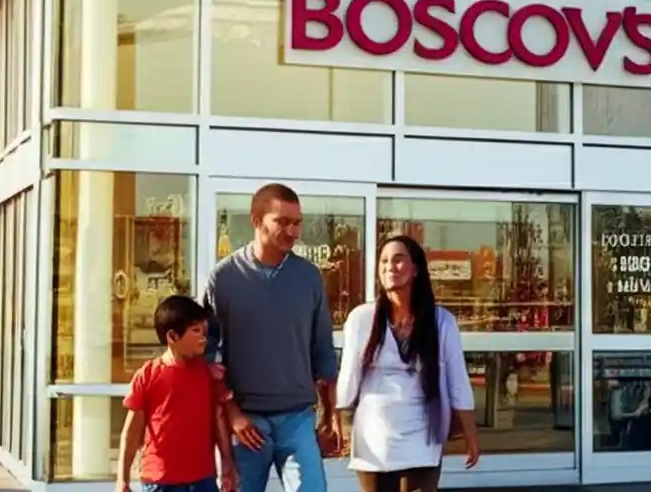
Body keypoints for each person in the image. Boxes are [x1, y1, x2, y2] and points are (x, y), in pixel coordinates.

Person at [203, 183, 339, 492]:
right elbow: (208, 358)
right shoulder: (223, 279)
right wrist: (233, 414)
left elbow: (322, 349)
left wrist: (330, 415)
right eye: (283, 222)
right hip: (247, 424)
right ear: (256, 220)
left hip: (298, 419)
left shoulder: (308, 277)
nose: (293, 231)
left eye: (297, 222)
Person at [336, 235, 480, 492]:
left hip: (422, 437)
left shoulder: (441, 322)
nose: (390, 266)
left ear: (415, 270)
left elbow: (457, 380)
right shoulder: (361, 319)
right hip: (374, 439)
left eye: (398, 260)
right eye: (384, 261)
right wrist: (341, 425)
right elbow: (348, 378)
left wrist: (470, 432)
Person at [117, 295, 236, 492]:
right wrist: (123, 480)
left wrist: (227, 465)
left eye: (204, 331)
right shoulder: (148, 376)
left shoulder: (208, 375)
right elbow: (131, 433)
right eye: (196, 331)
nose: (203, 338)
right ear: (172, 337)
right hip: (161, 480)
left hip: (202, 480)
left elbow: (218, 422)